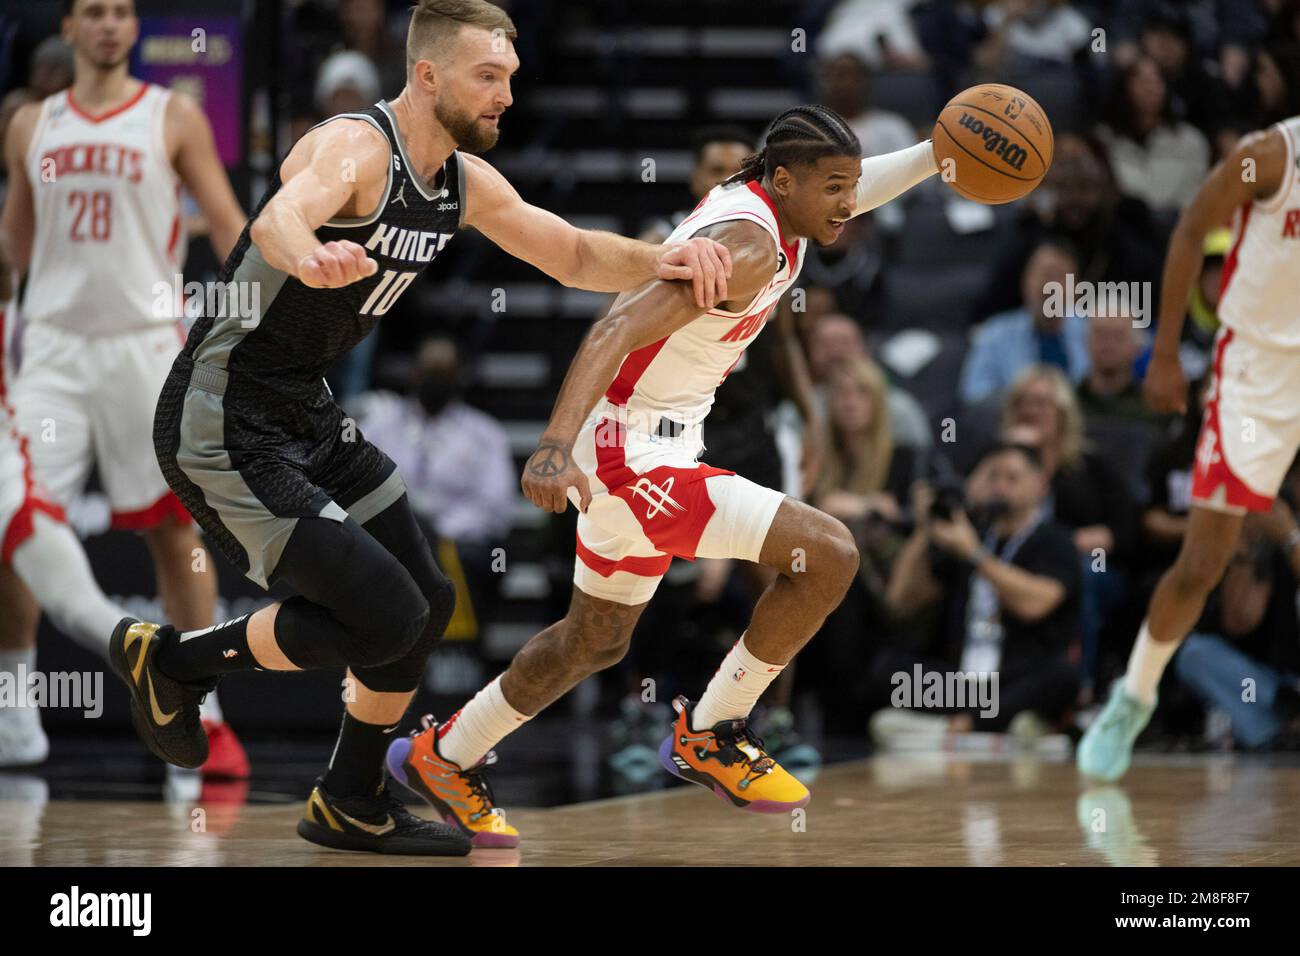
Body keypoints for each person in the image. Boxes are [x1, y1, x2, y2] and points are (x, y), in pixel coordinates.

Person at [121, 0, 733, 856]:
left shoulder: (464, 182)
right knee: (385, 613)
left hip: (307, 406)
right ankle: (174, 663)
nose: (507, 98)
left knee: (429, 601)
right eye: (490, 77)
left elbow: (571, 252)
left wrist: (661, 257)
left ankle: (349, 797)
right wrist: (309, 253)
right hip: (224, 417)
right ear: (427, 75)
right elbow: (278, 217)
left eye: (512, 79)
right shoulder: (357, 148)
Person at [389, 105, 941, 838]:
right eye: (835, 189)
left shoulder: (790, 202)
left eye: (851, 185)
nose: (850, 204)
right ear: (784, 181)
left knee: (594, 640)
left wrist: (941, 152)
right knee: (830, 553)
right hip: (626, 450)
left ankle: (445, 754)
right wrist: (553, 445)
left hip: (662, 442)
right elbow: (615, 326)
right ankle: (713, 730)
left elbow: (857, 182)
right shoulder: (745, 246)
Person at [0, 0, 248, 777]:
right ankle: (16, 714)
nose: (108, 25)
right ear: (70, 29)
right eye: (93, 12)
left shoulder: (172, 117)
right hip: (53, 348)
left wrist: (249, 326)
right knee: (14, 520)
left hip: (147, 343)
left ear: (134, 29)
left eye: (120, 12)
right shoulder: (29, 126)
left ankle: (201, 714)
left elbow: (230, 224)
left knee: (175, 533)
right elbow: (16, 243)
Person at [1077, 102, 1300, 781]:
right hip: (1256, 372)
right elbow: (1190, 230)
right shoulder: (1272, 153)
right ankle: (1134, 697)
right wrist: (1167, 353)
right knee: (1203, 564)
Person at [875, 441, 1081, 741]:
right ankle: (1008, 725)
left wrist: (975, 555)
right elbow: (901, 600)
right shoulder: (973, 535)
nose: (1000, 487)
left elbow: (1035, 605)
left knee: (1060, 676)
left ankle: (957, 728)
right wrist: (925, 530)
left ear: (1040, 485)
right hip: (966, 684)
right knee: (887, 669)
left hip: (1015, 675)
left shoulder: (1056, 540)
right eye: (994, 477)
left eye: (1012, 478)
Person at [959, 239, 1090, 406]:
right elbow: (974, 397)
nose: (1049, 286)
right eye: (1043, 274)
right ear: (1025, 281)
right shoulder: (994, 335)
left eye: (1059, 276)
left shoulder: (1091, 333)